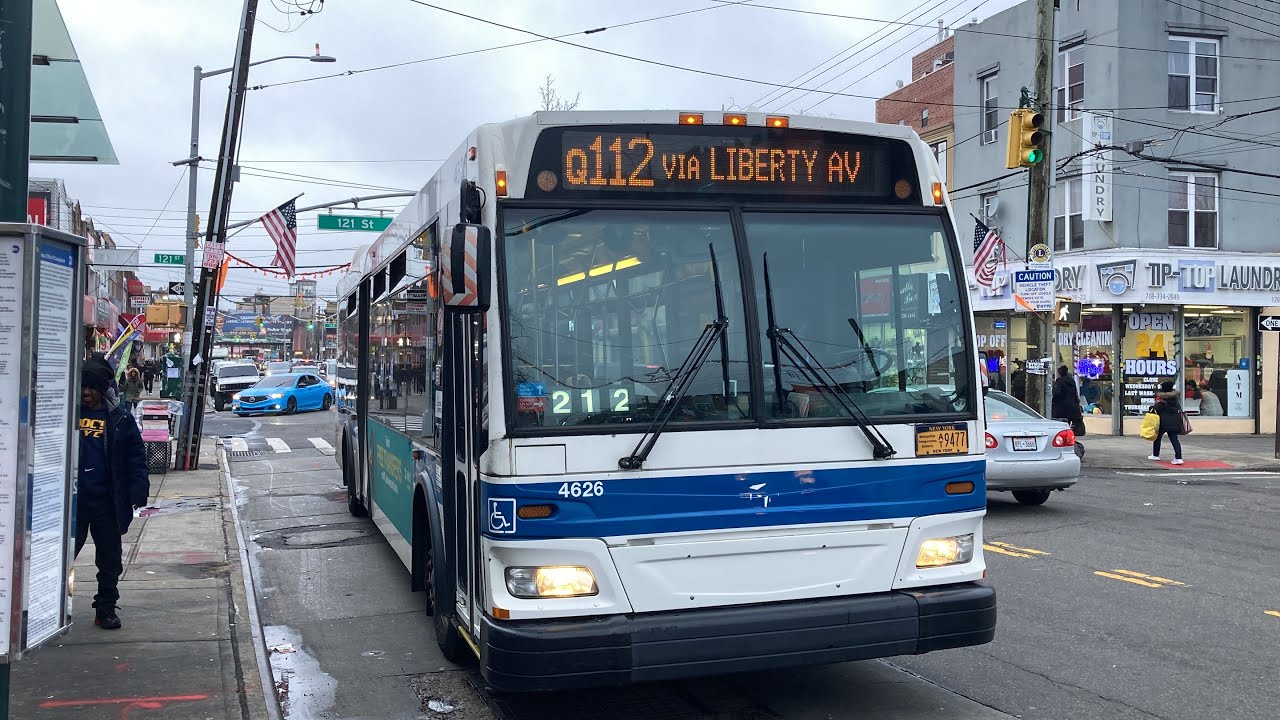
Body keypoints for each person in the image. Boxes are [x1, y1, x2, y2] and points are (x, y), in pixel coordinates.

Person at [78, 357, 150, 629]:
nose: (87, 392)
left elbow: (135, 456)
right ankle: (53, 605)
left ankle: (105, 608)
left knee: (109, 560)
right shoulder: (65, 412)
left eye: (92, 387)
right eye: (83, 386)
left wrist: (138, 488)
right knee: (59, 556)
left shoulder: (119, 418)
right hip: (70, 502)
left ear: (103, 388)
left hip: (106, 500)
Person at [1149, 380, 1184, 465]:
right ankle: (1178, 457)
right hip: (1174, 421)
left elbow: (1157, 408)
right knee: (1174, 439)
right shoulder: (1175, 399)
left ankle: (1156, 455)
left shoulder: (1162, 399)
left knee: (1157, 438)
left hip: (1163, 422)